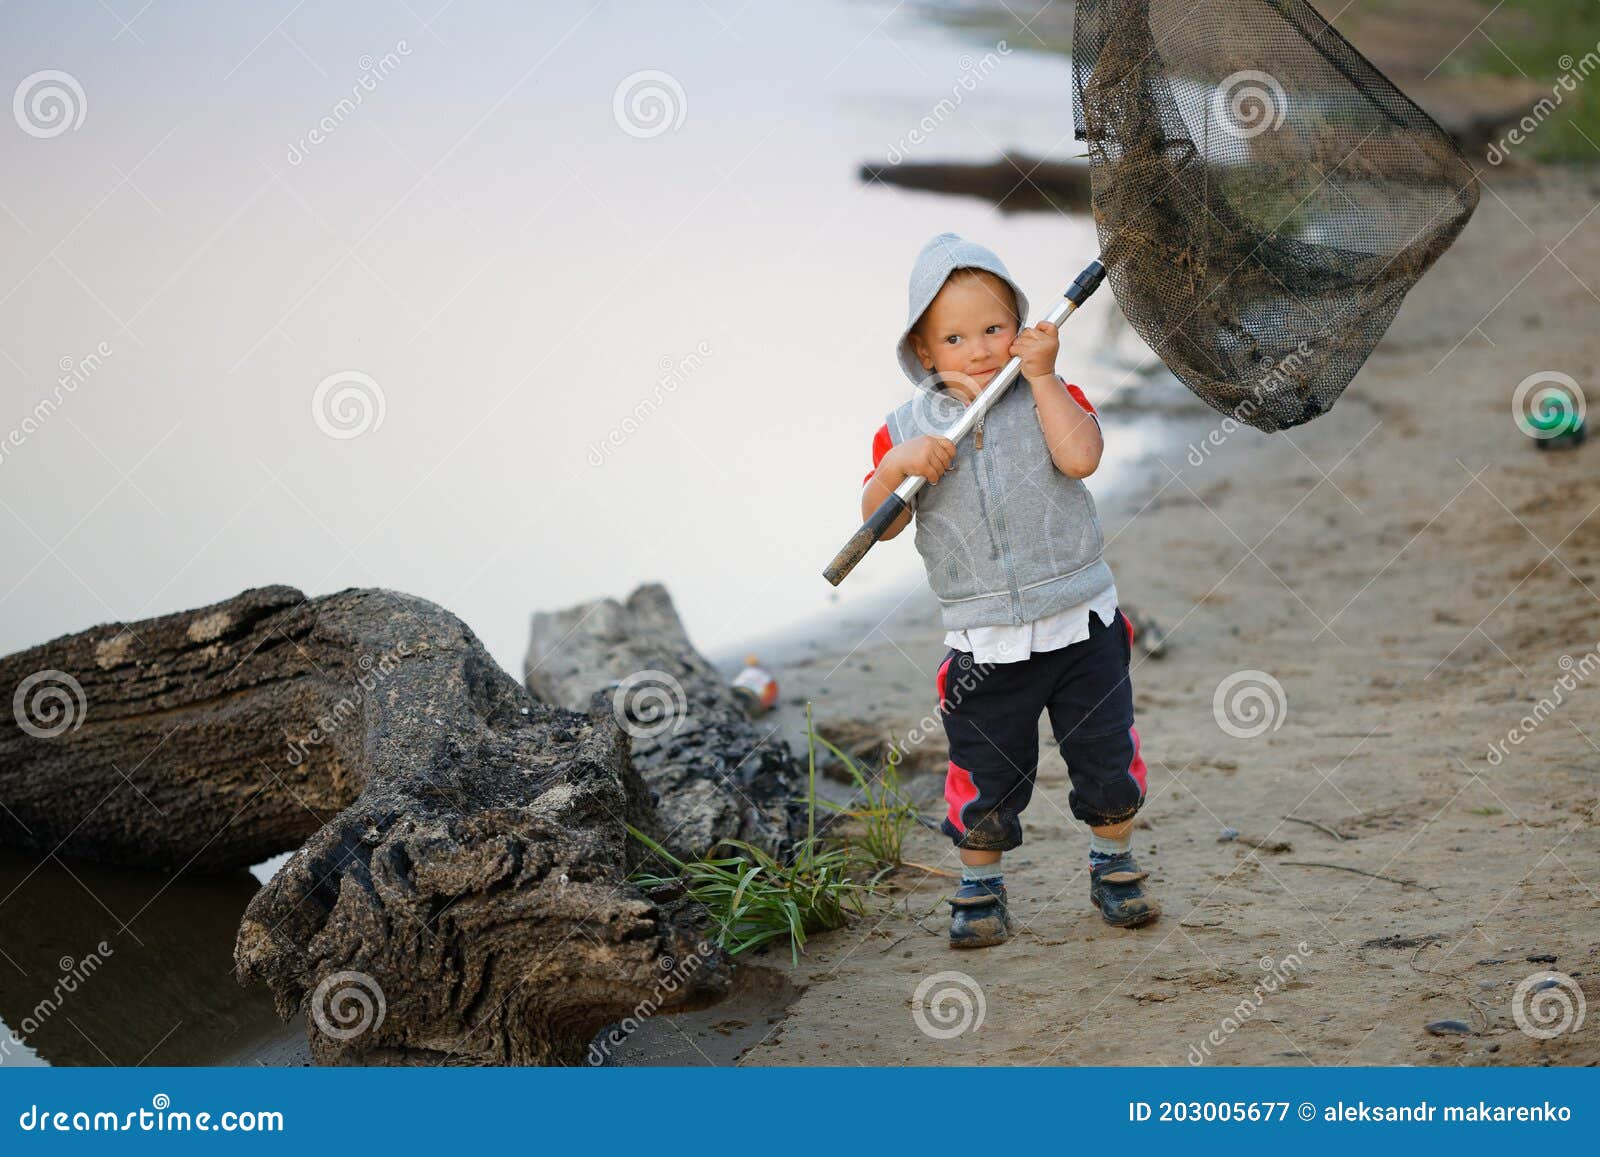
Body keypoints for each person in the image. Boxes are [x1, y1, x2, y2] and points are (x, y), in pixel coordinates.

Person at [857, 233, 1158, 948]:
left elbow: (1081, 456)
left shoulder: (1049, 394)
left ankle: (1113, 861)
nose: (981, 348)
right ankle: (980, 883)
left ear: (1021, 326)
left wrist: (1047, 379)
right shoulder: (904, 429)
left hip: (1080, 623)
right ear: (925, 352)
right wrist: (900, 464)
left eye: (995, 328)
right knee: (985, 771)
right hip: (985, 640)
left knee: (1106, 760)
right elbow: (881, 523)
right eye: (956, 337)